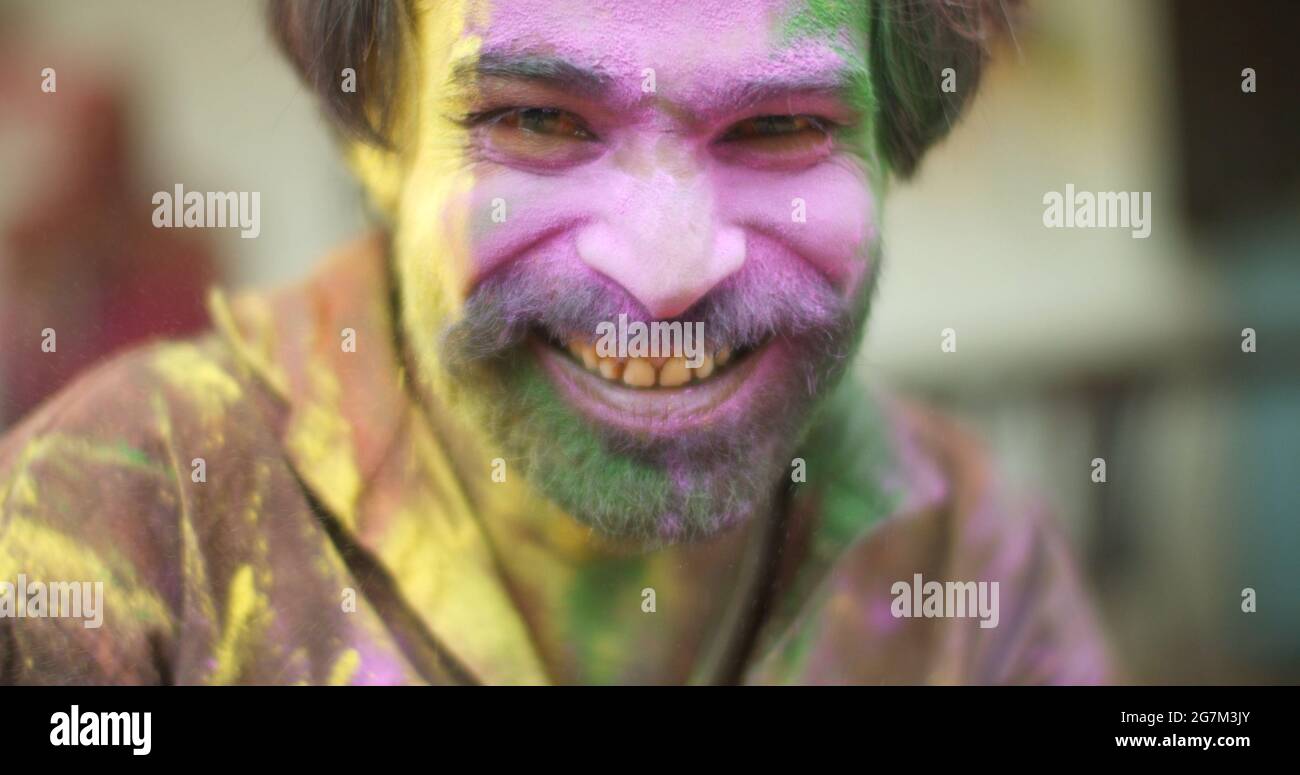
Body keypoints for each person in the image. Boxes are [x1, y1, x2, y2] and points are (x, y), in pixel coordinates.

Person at [0, 0, 1108, 685]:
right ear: (373, 139)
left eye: (781, 127)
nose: (667, 274)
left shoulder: (970, 555)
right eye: (537, 120)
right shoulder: (111, 532)